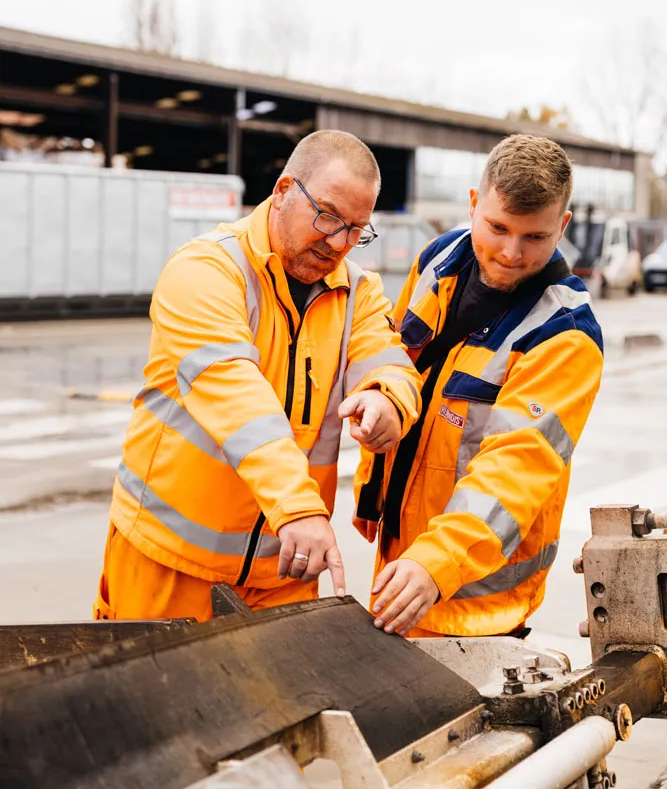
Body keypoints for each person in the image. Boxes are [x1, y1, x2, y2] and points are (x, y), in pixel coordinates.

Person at [95, 130, 421, 621]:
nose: (338, 243)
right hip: (171, 563)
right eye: (328, 216)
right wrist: (298, 507)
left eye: (356, 229)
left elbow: (388, 360)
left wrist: (387, 402)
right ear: (284, 189)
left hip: (282, 574)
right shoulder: (205, 270)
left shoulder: (359, 292)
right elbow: (235, 395)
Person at [354, 134, 603, 639]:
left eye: (535, 237)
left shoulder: (565, 337)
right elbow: (397, 362)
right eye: (497, 227)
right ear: (473, 204)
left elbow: (514, 473)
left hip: (478, 608)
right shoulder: (439, 260)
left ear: (563, 225)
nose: (512, 253)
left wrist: (437, 563)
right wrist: (371, 482)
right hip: (404, 569)